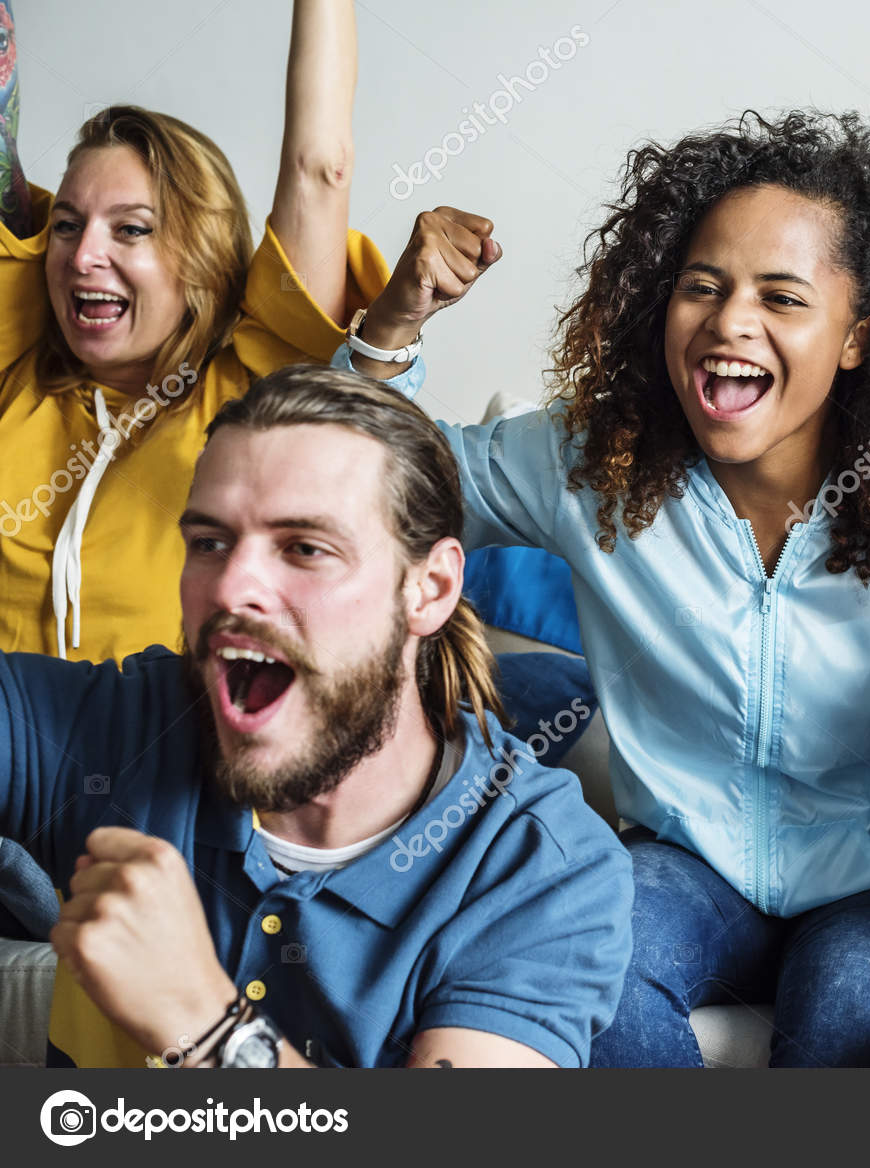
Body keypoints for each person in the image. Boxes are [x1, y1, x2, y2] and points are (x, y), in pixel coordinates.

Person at [335, 111, 870, 1066]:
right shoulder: (593, 466)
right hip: (683, 862)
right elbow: (362, 485)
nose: (729, 321)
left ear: (856, 337)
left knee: (850, 991)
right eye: (701, 286)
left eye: (781, 297)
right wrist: (395, 321)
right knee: (593, 965)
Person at [3, 363, 631, 1068]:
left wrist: (206, 1025)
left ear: (430, 588)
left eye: (305, 548)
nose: (231, 588)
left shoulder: (540, 867)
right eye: (209, 542)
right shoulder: (125, 724)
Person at [0, 0, 387, 662]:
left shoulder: (255, 395)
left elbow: (320, 169)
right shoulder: (17, 370)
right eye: (66, 225)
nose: (83, 255)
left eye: (131, 229)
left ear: (201, 255)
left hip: (168, 730)